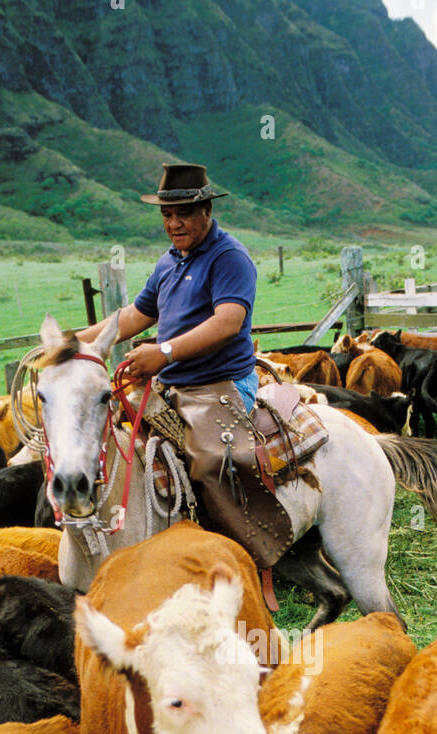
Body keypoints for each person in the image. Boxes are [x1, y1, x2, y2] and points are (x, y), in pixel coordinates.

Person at [77, 163, 293, 573]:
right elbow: (133, 317)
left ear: (206, 210)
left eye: (184, 214)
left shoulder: (229, 258)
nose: (174, 223)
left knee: (210, 461)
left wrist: (165, 352)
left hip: (221, 383)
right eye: (166, 215)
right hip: (173, 384)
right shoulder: (169, 262)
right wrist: (72, 342)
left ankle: (243, 556)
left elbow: (228, 322)